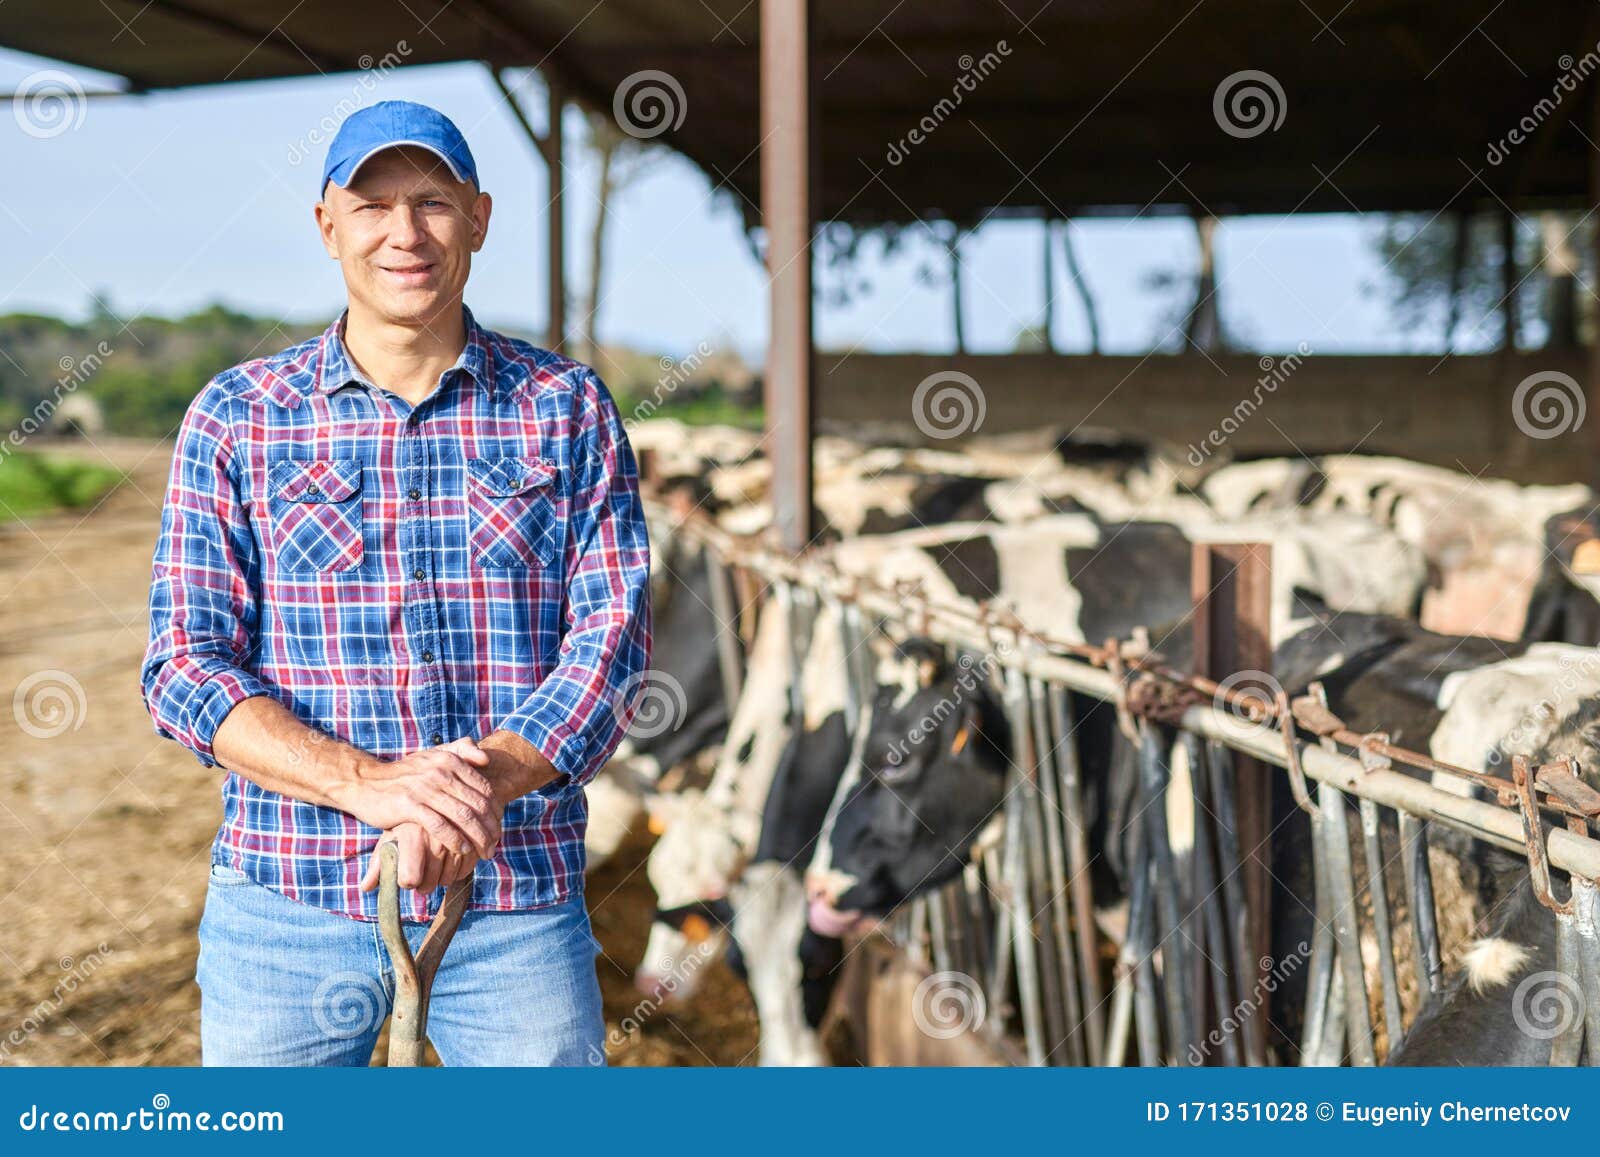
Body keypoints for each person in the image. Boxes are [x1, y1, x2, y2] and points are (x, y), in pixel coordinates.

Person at [140, 100, 652, 1066]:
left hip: (514, 899)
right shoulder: (239, 415)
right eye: (371, 205)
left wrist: (474, 789)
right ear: (327, 226)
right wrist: (371, 786)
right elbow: (184, 665)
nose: (404, 233)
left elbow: (612, 648)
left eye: (433, 202)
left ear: (481, 217)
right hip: (287, 901)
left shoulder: (566, 407)